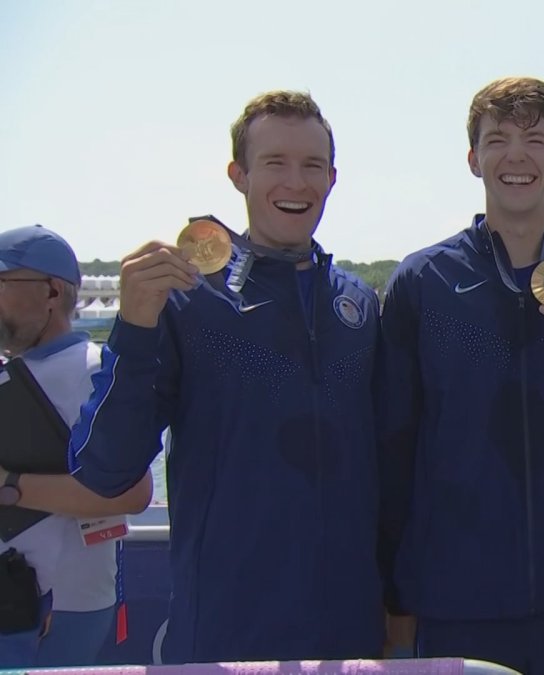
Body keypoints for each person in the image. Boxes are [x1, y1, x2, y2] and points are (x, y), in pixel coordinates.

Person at [9, 92, 386, 662]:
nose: (296, 181)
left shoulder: (357, 307)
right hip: (225, 631)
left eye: (312, 165)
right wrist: (133, 327)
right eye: (274, 162)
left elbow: (390, 467)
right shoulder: (188, 299)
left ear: (333, 178)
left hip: (349, 630)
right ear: (239, 175)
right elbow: (108, 471)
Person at [376, 76, 544, 674]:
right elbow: (394, 449)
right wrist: (397, 589)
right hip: (458, 601)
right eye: (497, 139)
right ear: (473, 159)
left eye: (535, 139)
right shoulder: (422, 282)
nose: (516, 155)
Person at [0, 225, 152, 667]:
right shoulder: (21, 373)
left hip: (49, 609)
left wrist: (11, 485)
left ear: (51, 292)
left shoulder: (93, 373)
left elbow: (132, 491)